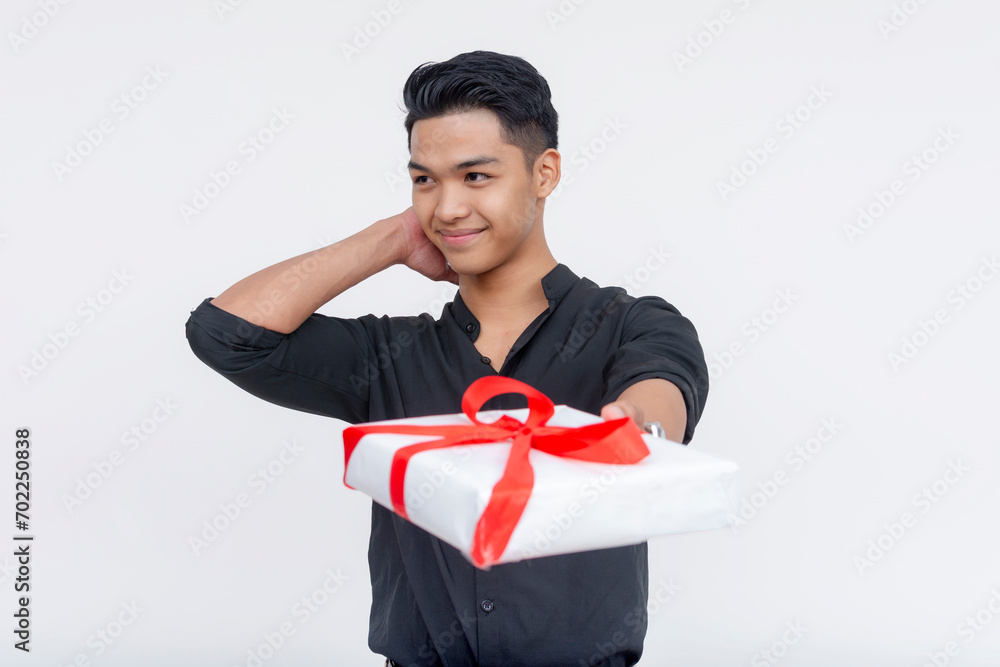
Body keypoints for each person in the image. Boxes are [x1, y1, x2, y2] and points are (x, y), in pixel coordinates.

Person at [186, 49, 709, 667]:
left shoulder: (632, 323)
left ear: (544, 173)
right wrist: (395, 237)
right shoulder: (387, 353)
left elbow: (661, 396)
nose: (448, 207)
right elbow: (225, 333)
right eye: (425, 180)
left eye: (476, 176)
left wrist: (627, 434)